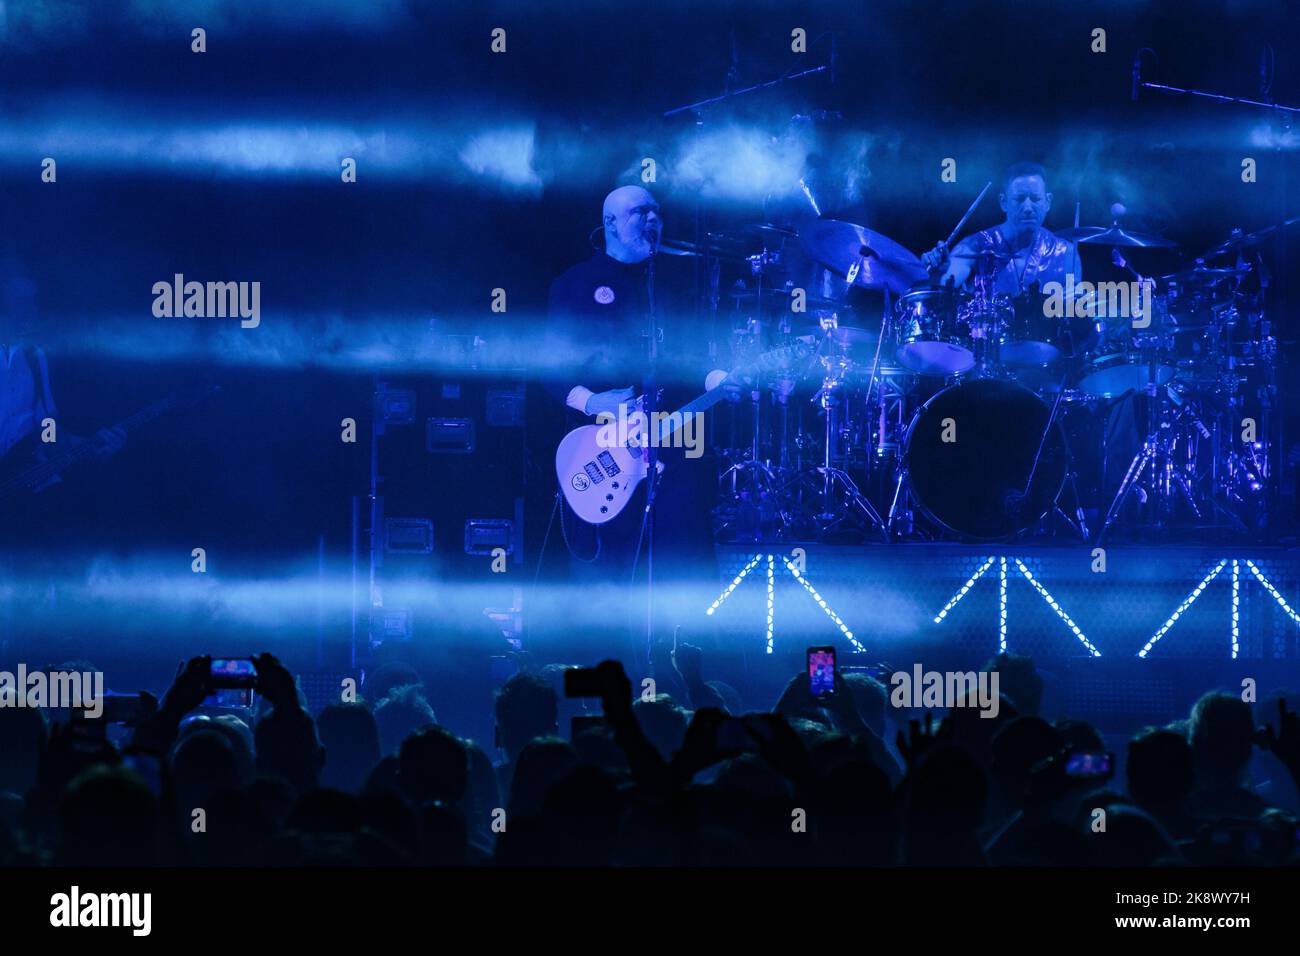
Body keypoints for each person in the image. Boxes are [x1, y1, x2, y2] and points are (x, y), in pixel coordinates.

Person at [544, 185, 718, 651]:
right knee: (611, 585)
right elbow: (549, 370)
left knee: (681, 573)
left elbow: (694, 361)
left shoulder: (676, 290)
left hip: (668, 455)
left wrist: (719, 377)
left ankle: (681, 674)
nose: (653, 219)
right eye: (640, 211)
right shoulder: (576, 285)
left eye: (658, 211)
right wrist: (593, 402)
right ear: (611, 224)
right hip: (605, 453)